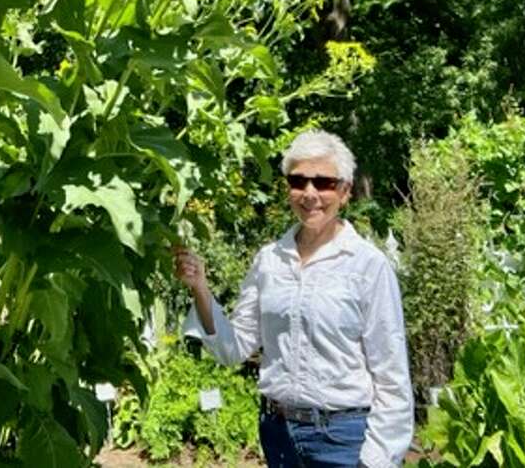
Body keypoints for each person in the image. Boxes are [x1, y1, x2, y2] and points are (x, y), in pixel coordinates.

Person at [174, 130, 413, 468]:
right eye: (298, 181)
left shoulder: (367, 266)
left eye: (324, 183)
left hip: (344, 440)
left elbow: (392, 376)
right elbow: (235, 347)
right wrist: (200, 288)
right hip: (278, 435)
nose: (310, 194)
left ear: (345, 192)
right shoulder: (269, 261)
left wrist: (377, 458)